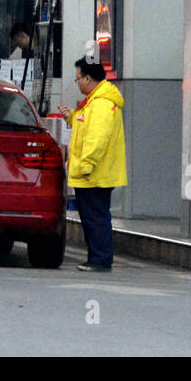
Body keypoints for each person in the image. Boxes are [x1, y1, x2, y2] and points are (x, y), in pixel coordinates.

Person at [59, 57, 127, 272]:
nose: (77, 82)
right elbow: (86, 128)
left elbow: (97, 138)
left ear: (88, 78)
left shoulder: (101, 104)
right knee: (92, 216)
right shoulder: (94, 101)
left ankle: (100, 259)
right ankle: (96, 258)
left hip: (94, 173)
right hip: (91, 173)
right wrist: (72, 117)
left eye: (78, 78)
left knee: (96, 217)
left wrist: (86, 166)